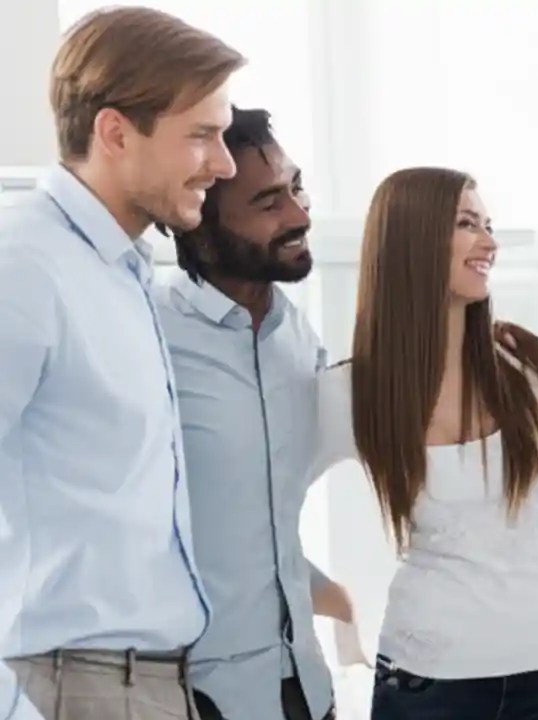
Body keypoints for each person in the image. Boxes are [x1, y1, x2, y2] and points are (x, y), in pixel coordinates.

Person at [312, 167, 538, 720]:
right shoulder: (350, 393)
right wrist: (326, 595)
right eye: (468, 224)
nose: (489, 242)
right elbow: (260, 512)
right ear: (412, 239)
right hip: (427, 688)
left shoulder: (532, 370)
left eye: (488, 225)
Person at [0, 7, 243, 719]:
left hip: (152, 684)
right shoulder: (24, 268)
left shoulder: (123, 270)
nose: (223, 164)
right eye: (202, 135)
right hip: (67, 689)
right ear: (114, 132)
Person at [156, 106, 355, 720]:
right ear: (200, 224)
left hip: (304, 687)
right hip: (197, 695)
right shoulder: (150, 337)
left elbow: (266, 509)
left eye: (295, 188)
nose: (299, 215)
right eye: (268, 202)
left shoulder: (297, 335)